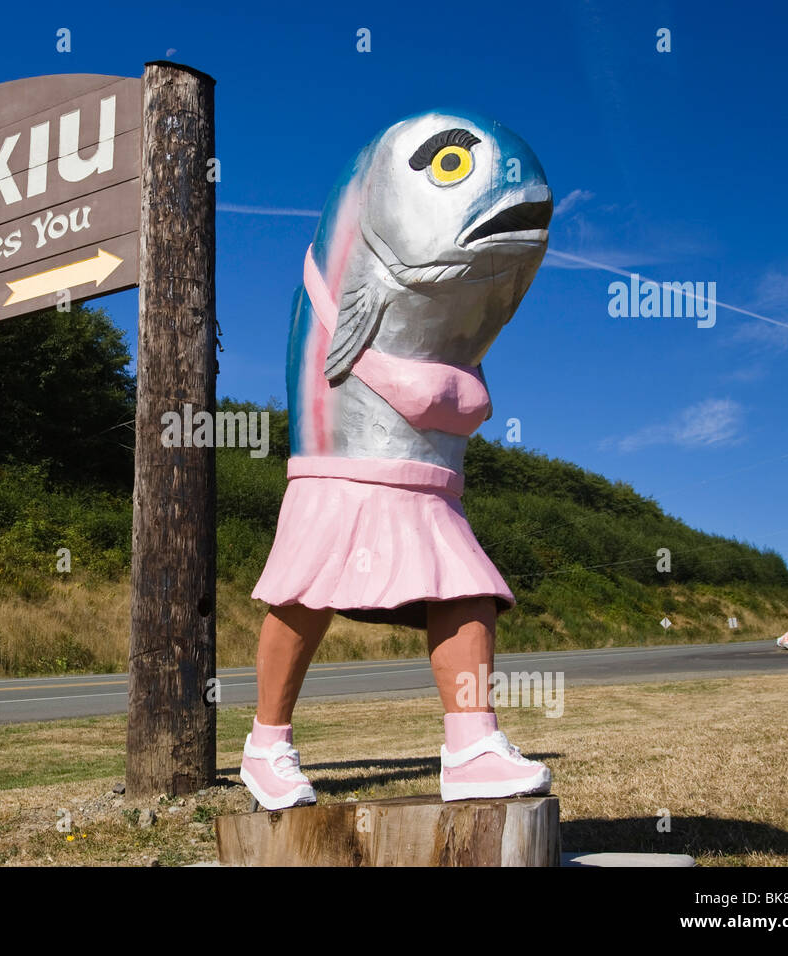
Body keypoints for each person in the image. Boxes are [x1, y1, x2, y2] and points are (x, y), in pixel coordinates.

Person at [241, 109, 554, 810]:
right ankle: (266, 744)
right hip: (342, 468)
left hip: (427, 481)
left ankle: (471, 743)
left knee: (467, 590)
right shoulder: (353, 280)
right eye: (448, 166)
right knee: (304, 592)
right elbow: (349, 337)